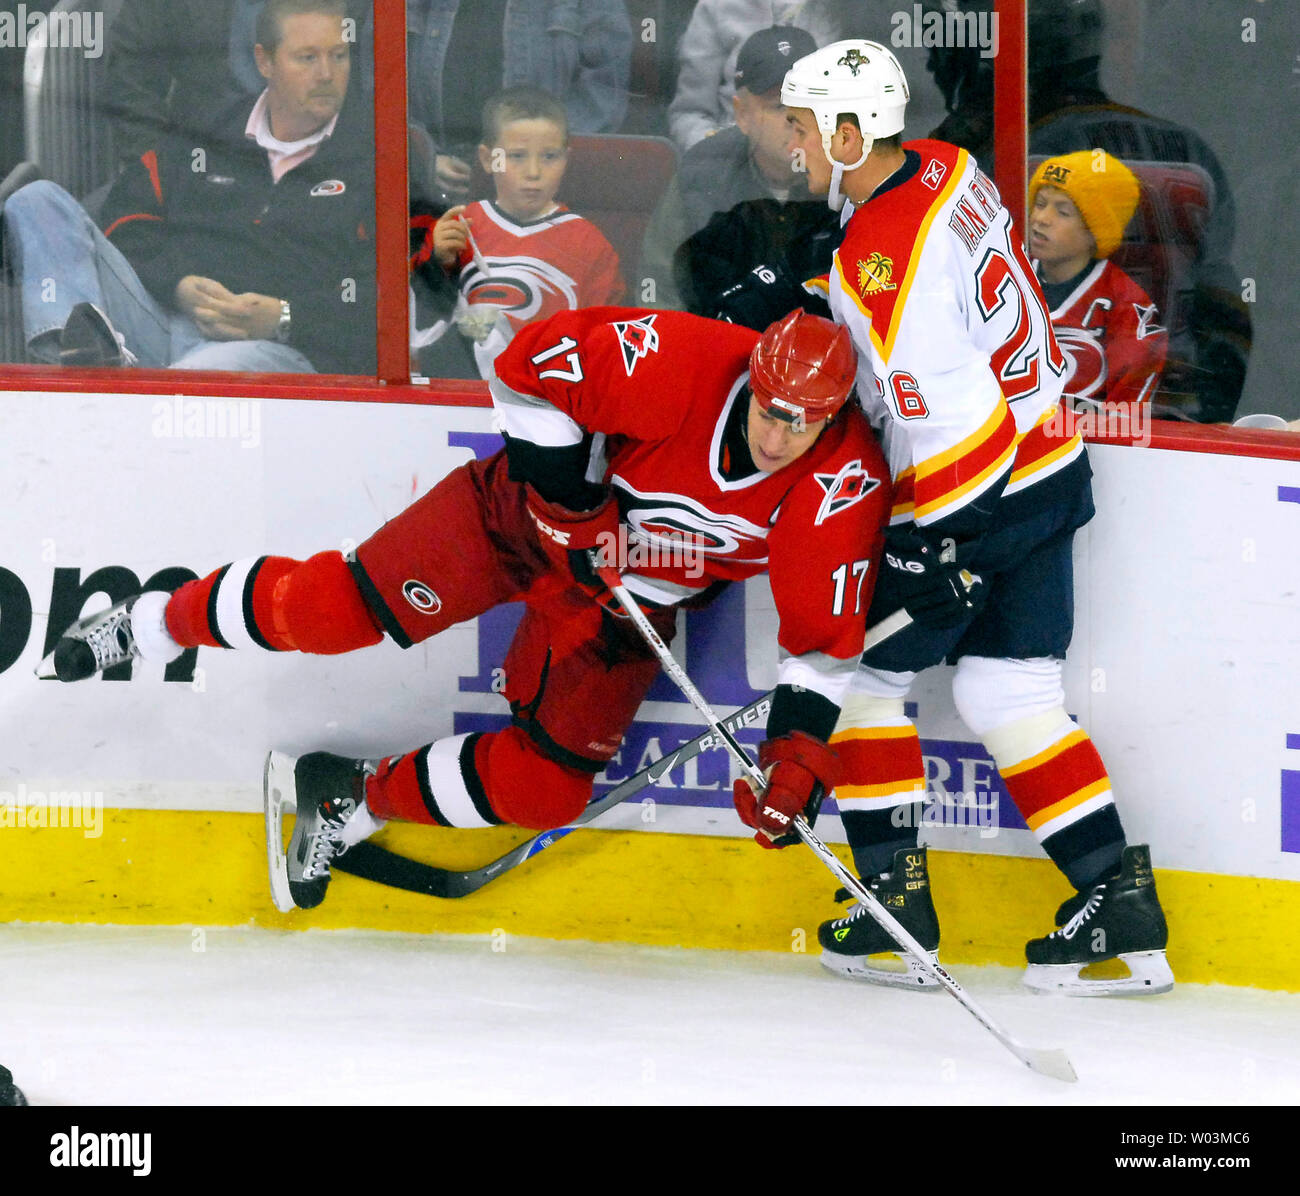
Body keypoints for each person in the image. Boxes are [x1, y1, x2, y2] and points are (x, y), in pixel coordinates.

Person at [42, 307, 891, 913]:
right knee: (338, 613)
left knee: (551, 787)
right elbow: (525, 364)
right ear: (751, 378)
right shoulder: (681, 359)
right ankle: (153, 620)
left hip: (625, 605)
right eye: (770, 410)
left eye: (805, 423)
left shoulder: (844, 484)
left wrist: (794, 755)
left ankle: (351, 798)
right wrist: (566, 506)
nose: (780, 435)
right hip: (516, 520)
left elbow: (821, 644)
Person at [779, 40, 1172, 996]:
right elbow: (956, 307)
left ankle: (890, 912)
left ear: (845, 132)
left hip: (980, 496)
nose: (792, 146)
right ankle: (1121, 912)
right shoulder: (948, 164)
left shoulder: (882, 260)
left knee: (864, 676)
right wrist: (827, 295)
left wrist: (930, 550)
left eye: (801, 128)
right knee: (1009, 693)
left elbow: (950, 415)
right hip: (1052, 469)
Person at [3, 0, 374, 375]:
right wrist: (177, 283)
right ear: (265, 62)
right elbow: (125, 218)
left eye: (339, 56)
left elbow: (382, 302)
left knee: (198, 378)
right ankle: (84, 359)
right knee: (36, 200)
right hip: (165, 326)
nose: (326, 74)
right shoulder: (210, 131)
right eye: (307, 58)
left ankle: (127, 397)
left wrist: (285, 317)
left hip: (274, 352)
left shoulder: (375, 153)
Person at [923, 0, 1249, 423]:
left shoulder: (993, 154)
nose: (939, 73)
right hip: (1166, 424)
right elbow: (1223, 311)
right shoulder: (1189, 147)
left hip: (1049, 428)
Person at [413, 86, 625, 380]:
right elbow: (419, 325)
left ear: (566, 159)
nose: (534, 172)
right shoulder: (458, 226)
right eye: (517, 156)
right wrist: (435, 263)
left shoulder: (589, 244)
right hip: (460, 392)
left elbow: (606, 345)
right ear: (488, 160)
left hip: (547, 400)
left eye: (549, 156)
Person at [642, 24, 839, 315]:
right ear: (743, 115)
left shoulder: (849, 171)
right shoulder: (701, 173)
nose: (796, 120)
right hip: (717, 348)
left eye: (807, 103)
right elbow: (662, 289)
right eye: (778, 107)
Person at [406, 0, 633, 202]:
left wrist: (532, 164)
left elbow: (602, 95)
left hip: (538, 203)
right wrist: (423, 159)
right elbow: (380, 83)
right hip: (432, 196)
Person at [1028, 150, 1167, 411]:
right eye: (1040, 203)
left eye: (1063, 212)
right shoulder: (1004, 273)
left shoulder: (1127, 306)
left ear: (1096, 232)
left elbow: (1124, 421)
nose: (1041, 218)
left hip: (1082, 447)